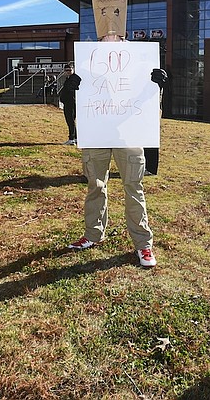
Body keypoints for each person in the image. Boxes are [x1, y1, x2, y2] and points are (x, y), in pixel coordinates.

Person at [67, 26, 166, 268]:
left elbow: (150, 101)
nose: (110, 42)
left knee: (134, 187)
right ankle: (93, 234)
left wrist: (159, 85)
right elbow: (70, 101)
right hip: (97, 134)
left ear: (124, 40)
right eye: (104, 38)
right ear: (98, 41)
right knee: (95, 186)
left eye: (115, 38)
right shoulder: (86, 64)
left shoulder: (140, 65)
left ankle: (143, 244)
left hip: (129, 134)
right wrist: (71, 88)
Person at [58, 64, 78, 145]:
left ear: (73, 70)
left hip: (71, 102)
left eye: (69, 70)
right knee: (71, 121)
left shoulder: (74, 79)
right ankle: (75, 138)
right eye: (66, 70)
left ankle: (72, 139)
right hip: (68, 102)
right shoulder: (69, 79)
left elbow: (71, 90)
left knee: (70, 120)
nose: (68, 72)